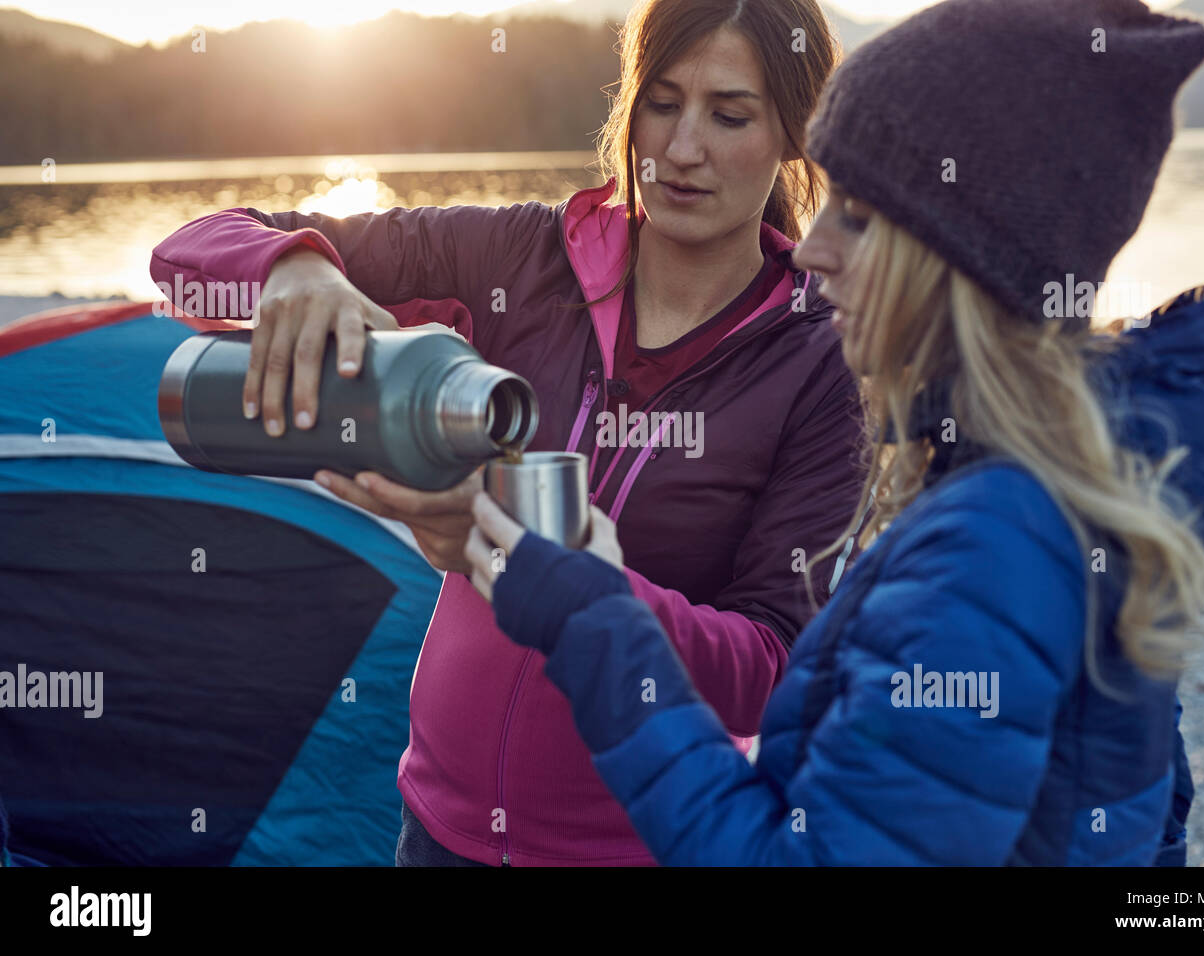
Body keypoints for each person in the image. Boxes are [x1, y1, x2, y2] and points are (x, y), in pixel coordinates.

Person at [463, 0, 1204, 864]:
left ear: (955, 254)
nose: (810, 250)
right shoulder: (1067, 485)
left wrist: (594, 621)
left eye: (853, 212)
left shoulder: (993, 551)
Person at [151, 0, 864, 865]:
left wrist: (562, 580)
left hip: (637, 846)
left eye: (729, 114)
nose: (681, 150)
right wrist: (292, 267)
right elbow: (189, 252)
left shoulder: (819, 359)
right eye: (662, 102)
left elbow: (775, 669)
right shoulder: (523, 259)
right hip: (437, 831)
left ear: (797, 131)